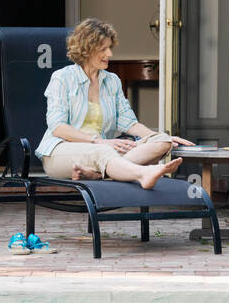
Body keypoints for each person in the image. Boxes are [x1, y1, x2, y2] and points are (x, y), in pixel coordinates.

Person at [36, 18, 191, 188]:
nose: (110, 54)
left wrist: (159, 137)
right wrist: (98, 141)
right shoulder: (62, 78)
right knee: (103, 152)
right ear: (86, 50)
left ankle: (98, 176)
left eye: (110, 47)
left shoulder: (112, 81)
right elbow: (58, 128)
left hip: (105, 152)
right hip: (61, 151)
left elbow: (129, 123)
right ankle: (142, 174)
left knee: (162, 142)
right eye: (103, 49)